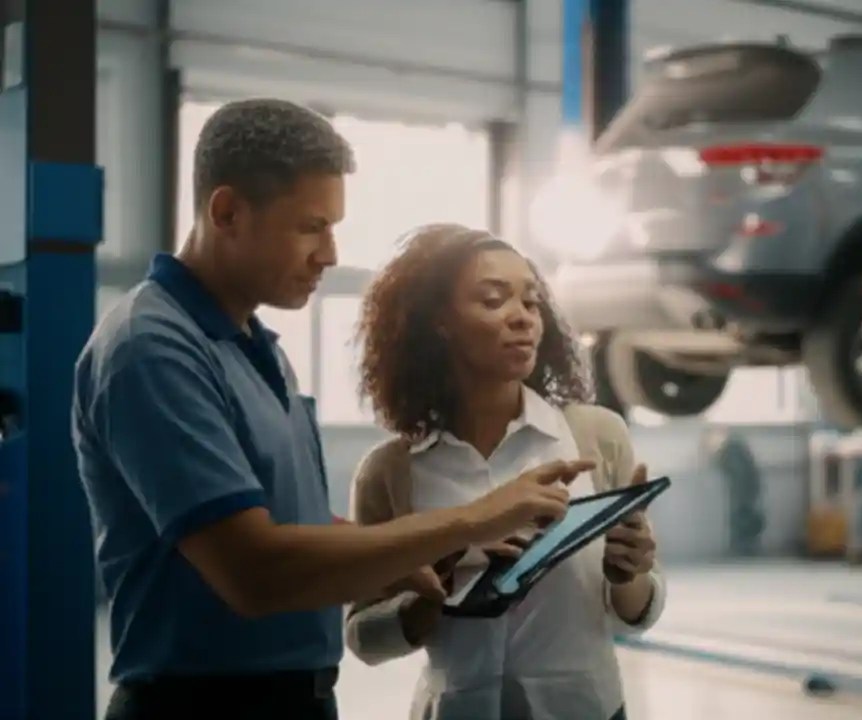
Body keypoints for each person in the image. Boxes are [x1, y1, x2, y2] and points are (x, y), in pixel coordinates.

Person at [72, 100, 590, 720]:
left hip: (293, 698)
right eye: (310, 227)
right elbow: (254, 571)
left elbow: (294, 521)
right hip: (202, 705)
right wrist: (473, 520)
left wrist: (403, 554)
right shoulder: (151, 349)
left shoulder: (256, 348)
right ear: (227, 212)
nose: (331, 254)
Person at [343, 224, 666, 720]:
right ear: (438, 322)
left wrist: (631, 573)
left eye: (532, 303)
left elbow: (640, 609)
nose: (523, 319)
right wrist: (429, 602)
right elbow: (363, 637)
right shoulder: (390, 473)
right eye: (494, 300)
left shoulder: (596, 437)